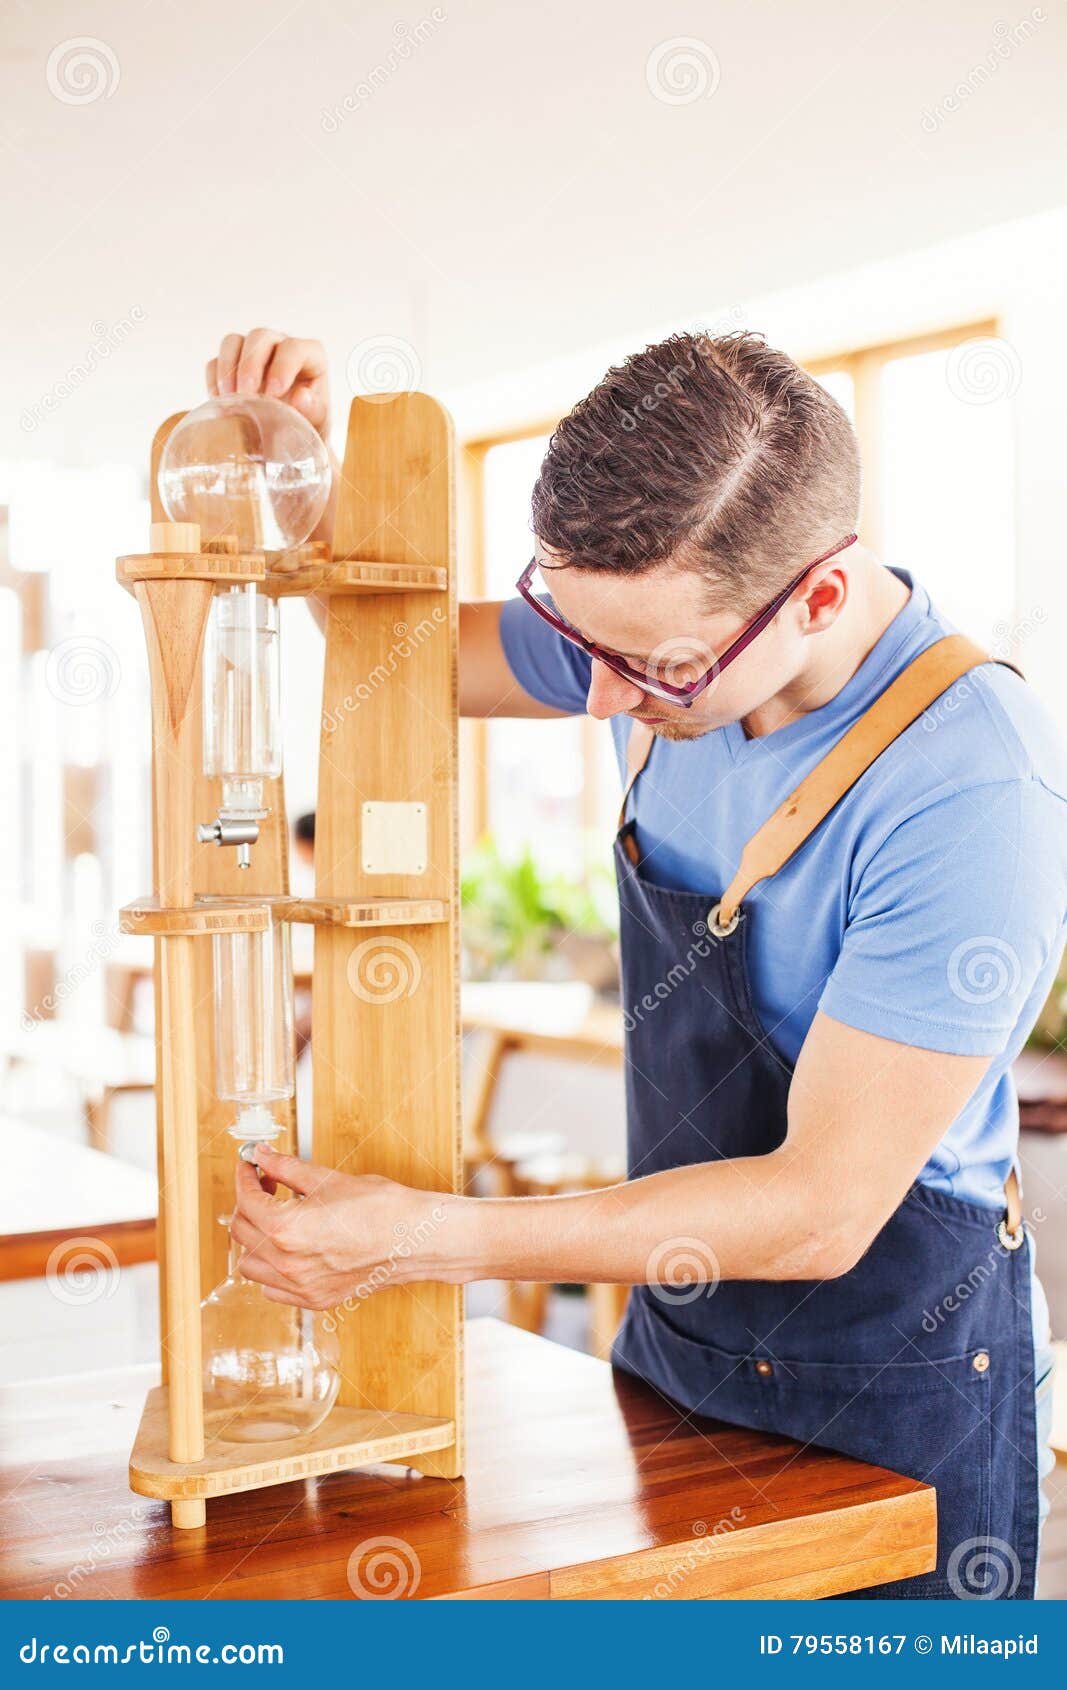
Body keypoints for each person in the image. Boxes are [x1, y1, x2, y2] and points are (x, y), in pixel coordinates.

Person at [208, 328, 1066, 1599]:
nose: (595, 702)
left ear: (817, 597)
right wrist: (304, 500)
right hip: (682, 1333)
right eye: (575, 638)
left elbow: (821, 1210)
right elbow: (393, 656)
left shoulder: (967, 782)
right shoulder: (657, 630)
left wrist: (417, 1239)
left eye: (654, 670)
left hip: (894, 1372)